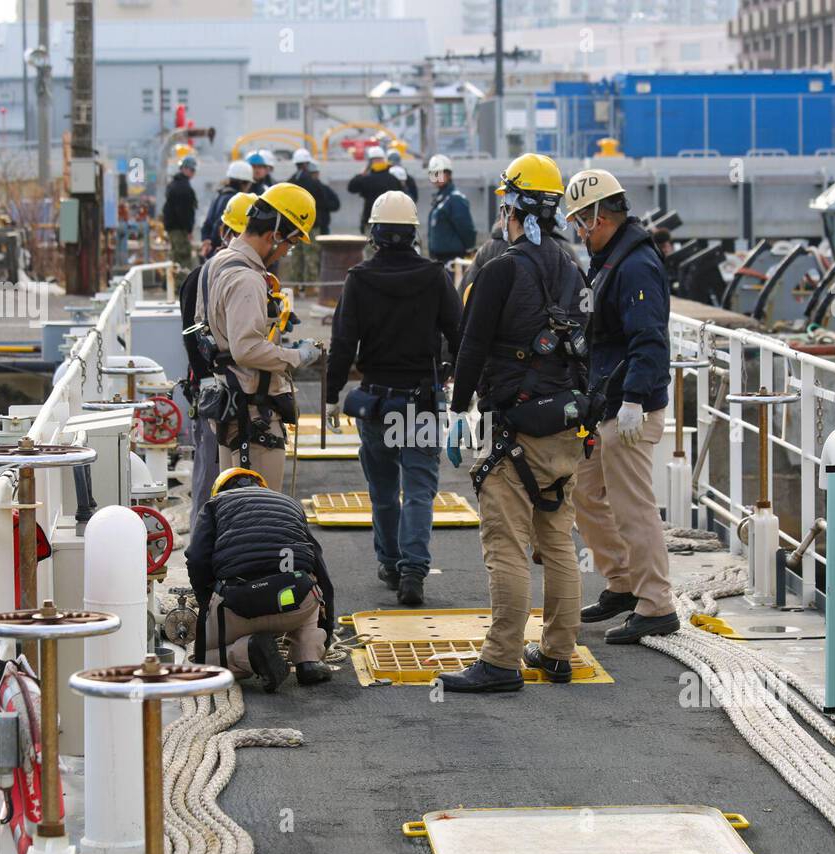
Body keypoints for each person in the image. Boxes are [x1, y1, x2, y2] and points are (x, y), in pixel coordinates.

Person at [440, 154, 591, 693]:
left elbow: (472, 345)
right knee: (556, 544)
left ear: (513, 205)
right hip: (564, 429)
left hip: (515, 431)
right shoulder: (570, 267)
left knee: (506, 546)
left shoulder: (501, 268)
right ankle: (557, 653)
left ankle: (501, 661)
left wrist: (459, 409)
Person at [325, 192, 461, 606]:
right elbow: (460, 333)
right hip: (421, 401)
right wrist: (455, 379)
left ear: (374, 233)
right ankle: (413, 573)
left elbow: (343, 341)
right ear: (414, 231)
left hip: (376, 401)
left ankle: (389, 561)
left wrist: (331, 396)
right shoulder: (435, 276)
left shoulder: (360, 279)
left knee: (383, 490)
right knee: (419, 489)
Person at [563, 168, 678, 643]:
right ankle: (622, 582)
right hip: (606, 404)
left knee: (634, 508)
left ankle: (657, 605)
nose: (576, 231)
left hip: (631, 409)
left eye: (579, 221)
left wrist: (633, 401)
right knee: (585, 493)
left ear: (597, 216)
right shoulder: (611, 258)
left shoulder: (634, 266)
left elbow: (648, 339)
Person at [196, 182, 322, 491]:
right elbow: (246, 349)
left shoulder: (216, 265)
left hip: (230, 408)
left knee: (233, 513)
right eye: (289, 244)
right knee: (262, 517)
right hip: (254, 418)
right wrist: (298, 356)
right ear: (275, 234)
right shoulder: (247, 279)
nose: (285, 252)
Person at [186, 467, 335, 691]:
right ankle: (309, 658)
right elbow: (319, 568)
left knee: (201, 661)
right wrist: (327, 631)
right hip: (295, 602)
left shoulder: (214, 505)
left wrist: (207, 603)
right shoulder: (290, 503)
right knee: (307, 580)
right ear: (262, 487)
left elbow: (197, 560)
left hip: (238, 607)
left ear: (218, 491)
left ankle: (246, 652)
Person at [183, 191, 259, 524]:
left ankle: (216, 544)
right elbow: (195, 337)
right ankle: (205, 545)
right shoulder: (212, 276)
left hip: (219, 389)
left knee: (216, 473)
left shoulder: (210, 274)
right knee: (211, 475)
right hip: (218, 390)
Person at [287, 148, 328, 287]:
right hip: (311, 225)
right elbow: (323, 201)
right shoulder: (313, 182)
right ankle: (311, 287)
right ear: (307, 163)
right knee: (311, 256)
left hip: (293, 225)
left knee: (296, 256)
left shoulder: (290, 181)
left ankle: (296, 286)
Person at [425, 154, 476, 265]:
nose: (436, 177)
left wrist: (470, 249)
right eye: (433, 174)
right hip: (439, 259)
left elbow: (465, 227)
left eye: (439, 173)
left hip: (453, 260)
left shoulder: (455, 199)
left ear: (448, 174)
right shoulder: (440, 200)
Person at [200, 159, 253, 257]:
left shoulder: (219, 194)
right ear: (244, 183)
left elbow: (208, 222)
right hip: (221, 250)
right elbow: (219, 225)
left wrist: (206, 240)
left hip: (212, 249)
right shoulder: (233, 200)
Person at [348, 145, 404, 234]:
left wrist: (362, 174)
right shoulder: (393, 179)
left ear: (370, 162)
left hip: (372, 221)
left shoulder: (366, 179)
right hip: (391, 223)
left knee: (371, 246)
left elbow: (351, 187)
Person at [162, 156, 199, 275]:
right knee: (182, 257)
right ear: (185, 169)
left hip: (174, 228)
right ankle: (180, 287)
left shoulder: (174, 184)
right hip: (179, 229)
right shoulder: (183, 188)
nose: (193, 173)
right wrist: (188, 229)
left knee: (175, 255)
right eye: (192, 170)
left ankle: (170, 284)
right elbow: (184, 212)